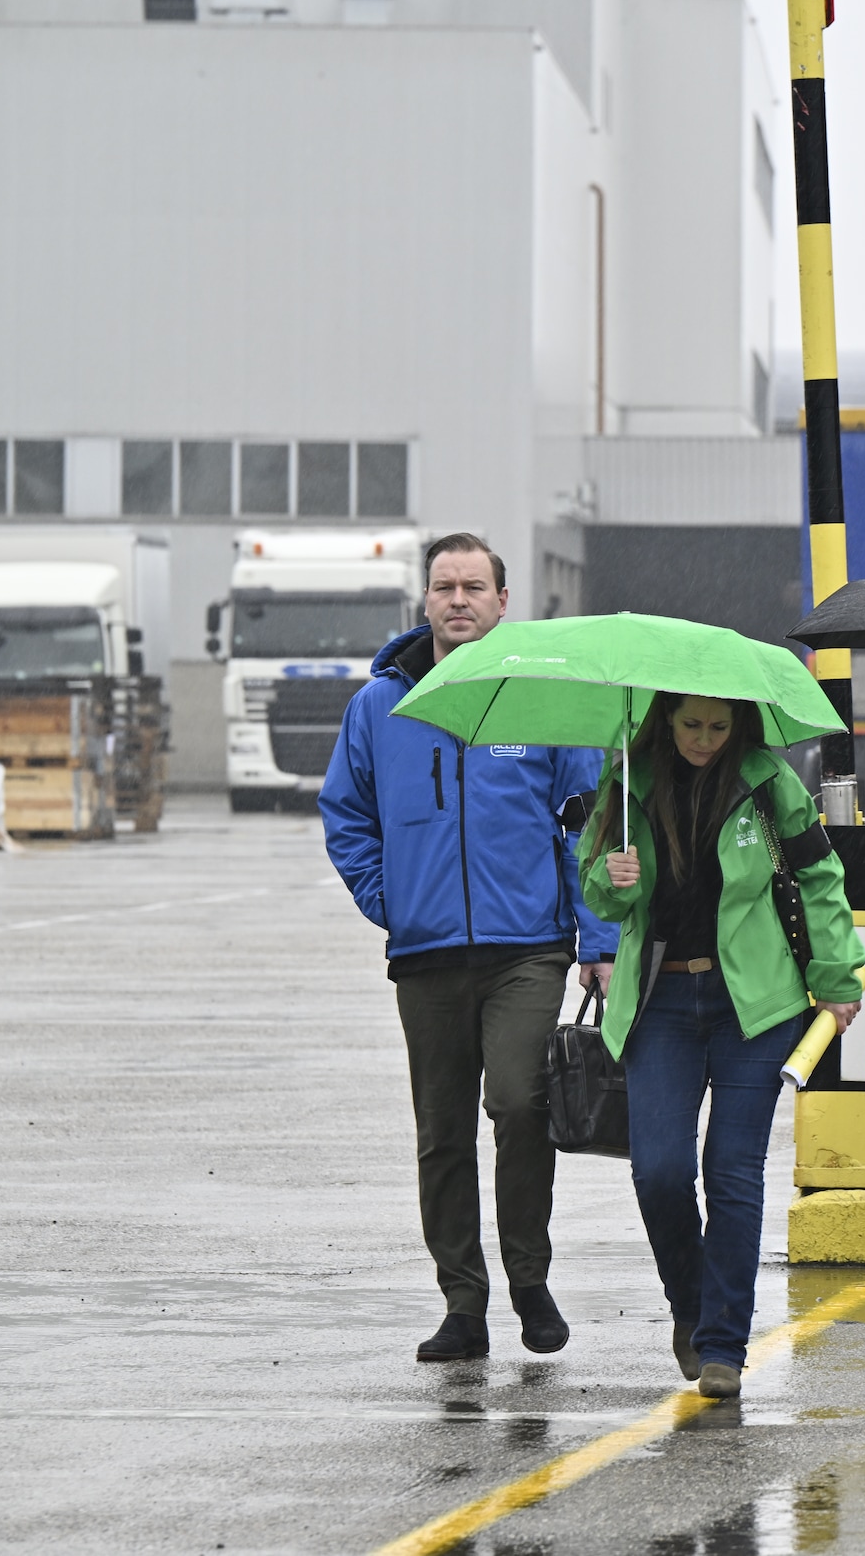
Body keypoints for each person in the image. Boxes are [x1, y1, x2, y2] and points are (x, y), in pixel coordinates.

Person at [320, 532, 618, 1363]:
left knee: (521, 1104)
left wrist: (598, 936)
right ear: (425, 601)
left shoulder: (542, 699)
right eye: (444, 585)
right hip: (425, 955)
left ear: (501, 602)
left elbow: (587, 822)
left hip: (527, 948)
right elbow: (345, 814)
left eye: (473, 586)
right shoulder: (379, 707)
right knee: (441, 1130)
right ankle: (464, 1301)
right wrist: (389, 899)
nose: (458, 598)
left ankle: (529, 1274)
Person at [581, 695, 864, 1399]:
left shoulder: (770, 783)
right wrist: (610, 882)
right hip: (662, 1003)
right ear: (665, 723)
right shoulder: (629, 783)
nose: (705, 739)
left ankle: (723, 1346)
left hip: (755, 1006)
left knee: (733, 1173)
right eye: (690, 725)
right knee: (661, 1172)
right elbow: (597, 890)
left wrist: (835, 977)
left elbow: (820, 878)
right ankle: (691, 1305)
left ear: (740, 725)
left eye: (719, 726)